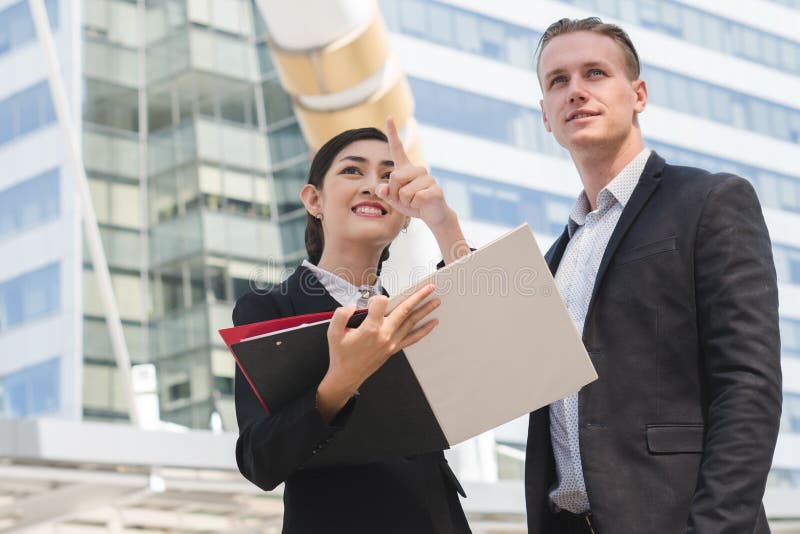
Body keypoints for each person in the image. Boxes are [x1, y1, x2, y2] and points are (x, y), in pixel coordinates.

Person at [524, 17, 782, 534]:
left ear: (638, 94)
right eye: (558, 81)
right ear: (546, 117)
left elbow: (748, 385)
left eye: (595, 73)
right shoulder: (555, 257)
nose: (575, 91)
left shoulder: (709, 202)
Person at [233, 119, 472, 534]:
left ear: (404, 217)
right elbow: (259, 460)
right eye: (352, 170)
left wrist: (442, 220)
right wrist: (339, 383)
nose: (372, 185)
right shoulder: (270, 310)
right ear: (314, 200)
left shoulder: (418, 309)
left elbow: (498, 328)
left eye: (387, 176)